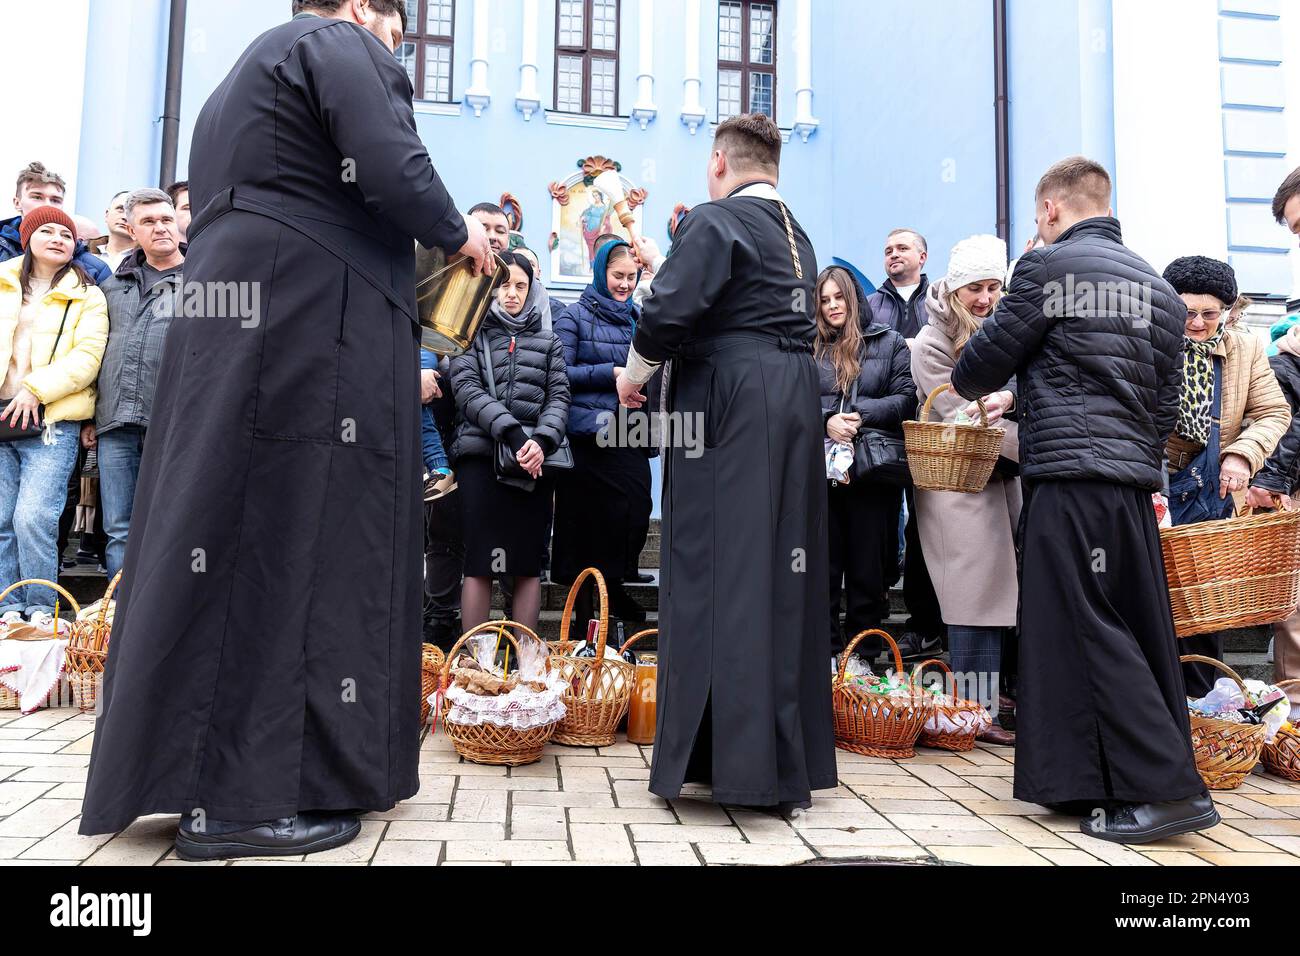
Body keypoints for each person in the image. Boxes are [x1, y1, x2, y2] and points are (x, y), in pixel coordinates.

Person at [78, 0, 492, 860]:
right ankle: (237, 798)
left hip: (244, 308)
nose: (398, 46)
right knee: (290, 532)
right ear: (361, 10)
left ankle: (191, 771)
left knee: (216, 520)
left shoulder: (238, 78)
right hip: (305, 320)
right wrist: (462, 234)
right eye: (397, 30)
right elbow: (392, 164)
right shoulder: (338, 42)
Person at [951, 156, 1217, 844]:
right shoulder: (1160, 291)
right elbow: (1164, 410)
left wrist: (1014, 381)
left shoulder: (1045, 270)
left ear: (1050, 211)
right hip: (1129, 487)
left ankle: (1168, 790)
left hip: (1069, 481)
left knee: (1083, 628)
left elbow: (976, 368)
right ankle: (1085, 782)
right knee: (1129, 629)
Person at [616, 113, 835, 812]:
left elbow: (668, 316)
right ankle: (764, 754)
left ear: (718, 163)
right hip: (791, 400)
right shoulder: (794, 232)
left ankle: (736, 764)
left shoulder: (713, 221)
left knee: (722, 570)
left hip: (732, 405)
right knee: (774, 572)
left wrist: (635, 372)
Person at [1161, 256, 1289, 697]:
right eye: (1186, 312)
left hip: (1213, 491)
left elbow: (1274, 411)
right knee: (1152, 601)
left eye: (1209, 313)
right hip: (1152, 487)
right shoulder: (1149, 341)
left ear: (1229, 311)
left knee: (1202, 605)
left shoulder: (1247, 348)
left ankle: (1203, 713)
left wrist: (1241, 456)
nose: (1196, 323)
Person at [910, 235, 1020, 747]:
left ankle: (995, 701)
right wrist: (1038, 440)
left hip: (1001, 481)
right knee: (971, 598)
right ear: (954, 289)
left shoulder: (1004, 333)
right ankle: (974, 709)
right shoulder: (932, 341)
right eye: (976, 287)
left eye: (994, 286)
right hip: (955, 485)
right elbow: (958, 414)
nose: (986, 297)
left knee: (1004, 595)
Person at [449, 252, 569, 637]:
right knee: (480, 561)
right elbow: (466, 391)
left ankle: (526, 665)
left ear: (532, 289)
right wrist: (516, 435)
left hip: (534, 464)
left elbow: (559, 397)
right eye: (504, 284)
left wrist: (542, 440)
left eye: (520, 285)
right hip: (482, 460)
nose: (512, 293)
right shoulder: (469, 334)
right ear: (490, 287)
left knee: (527, 562)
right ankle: (477, 668)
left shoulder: (549, 343)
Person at [0, 206, 108, 627]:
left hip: (52, 420)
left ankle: (43, 607)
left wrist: (35, 389)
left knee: (34, 518)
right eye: (46, 231)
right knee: (2, 519)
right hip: (0, 416)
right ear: (27, 238)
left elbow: (89, 357)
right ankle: (8, 608)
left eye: (66, 235)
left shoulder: (88, 293)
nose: (59, 239)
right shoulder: (4, 283)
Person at [552, 238, 654, 626]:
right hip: (585, 439)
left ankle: (614, 587)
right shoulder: (574, 316)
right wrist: (609, 375)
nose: (625, 284)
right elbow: (559, 372)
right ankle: (584, 617)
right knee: (586, 528)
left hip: (628, 434)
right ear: (600, 273)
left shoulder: (638, 318)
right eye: (618, 276)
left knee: (634, 508)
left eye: (632, 276)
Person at [816, 265, 914, 665]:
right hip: (821, 478)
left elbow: (907, 399)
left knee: (866, 575)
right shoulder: (808, 347)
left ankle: (862, 657)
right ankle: (825, 655)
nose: (833, 306)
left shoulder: (889, 343)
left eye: (839, 297)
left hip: (872, 476)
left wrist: (857, 414)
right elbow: (788, 402)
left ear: (854, 298)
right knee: (822, 572)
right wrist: (825, 419)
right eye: (824, 300)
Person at [89, 188, 186, 580]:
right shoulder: (111, 287)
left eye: (166, 219)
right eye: (148, 222)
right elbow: (95, 354)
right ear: (131, 229)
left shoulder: (205, 282)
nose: (161, 227)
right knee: (119, 530)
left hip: (175, 424)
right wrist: (89, 419)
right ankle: (118, 620)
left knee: (172, 528)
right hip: (115, 424)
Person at [1254, 313, 1300, 721]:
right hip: (1292, 488)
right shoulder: (1281, 367)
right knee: (1295, 600)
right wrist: (1274, 483)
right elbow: (1284, 432)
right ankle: (1296, 704)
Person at [0, 163, 111, 284]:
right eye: (37, 197)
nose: (47, 205)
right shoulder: (3, 248)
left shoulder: (94, 268)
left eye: (55, 200)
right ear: (17, 203)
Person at [97, 191, 138, 273]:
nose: (125, 217)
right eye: (120, 209)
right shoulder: (82, 253)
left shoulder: (148, 260)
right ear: (106, 214)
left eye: (132, 213)